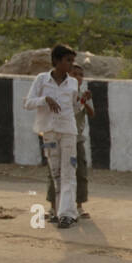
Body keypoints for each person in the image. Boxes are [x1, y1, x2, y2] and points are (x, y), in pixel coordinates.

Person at [25, 45, 79, 228]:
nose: (71, 65)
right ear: (56, 61)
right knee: (56, 173)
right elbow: (28, 103)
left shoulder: (73, 83)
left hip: (68, 131)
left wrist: (83, 101)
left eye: (72, 61)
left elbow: (75, 107)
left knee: (68, 171)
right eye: (68, 60)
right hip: (48, 132)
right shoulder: (42, 79)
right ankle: (63, 211)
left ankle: (66, 214)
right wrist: (45, 100)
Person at [44, 61, 94, 219]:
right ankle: (54, 207)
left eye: (81, 75)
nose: (78, 77)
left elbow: (91, 113)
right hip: (58, 137)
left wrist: (84, 101)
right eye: (74, 74)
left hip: (76, 139)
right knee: (55, 173)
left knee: (80, 173)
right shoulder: (60, 93)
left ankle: (78, 206)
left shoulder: (84, 94)